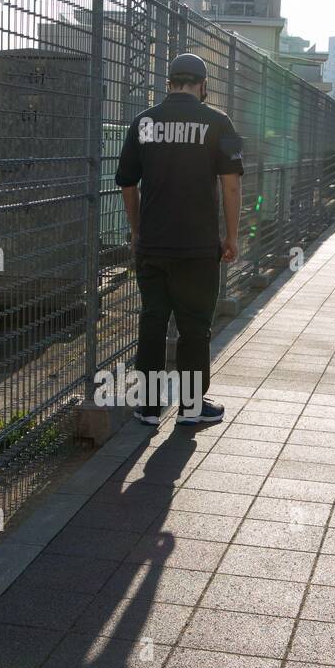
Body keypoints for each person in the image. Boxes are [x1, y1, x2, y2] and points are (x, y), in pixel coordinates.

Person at [114, 52, 244, 427]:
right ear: (203, 86)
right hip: (199, 247)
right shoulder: (218, 122)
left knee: (153, 320)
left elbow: (127, 183)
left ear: (169, 83)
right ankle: (190, 406)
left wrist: (138, 230)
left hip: (153, 244)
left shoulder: (143, 122)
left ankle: (150, 407)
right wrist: (231, 236)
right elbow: (231, 184)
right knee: (194, 326)